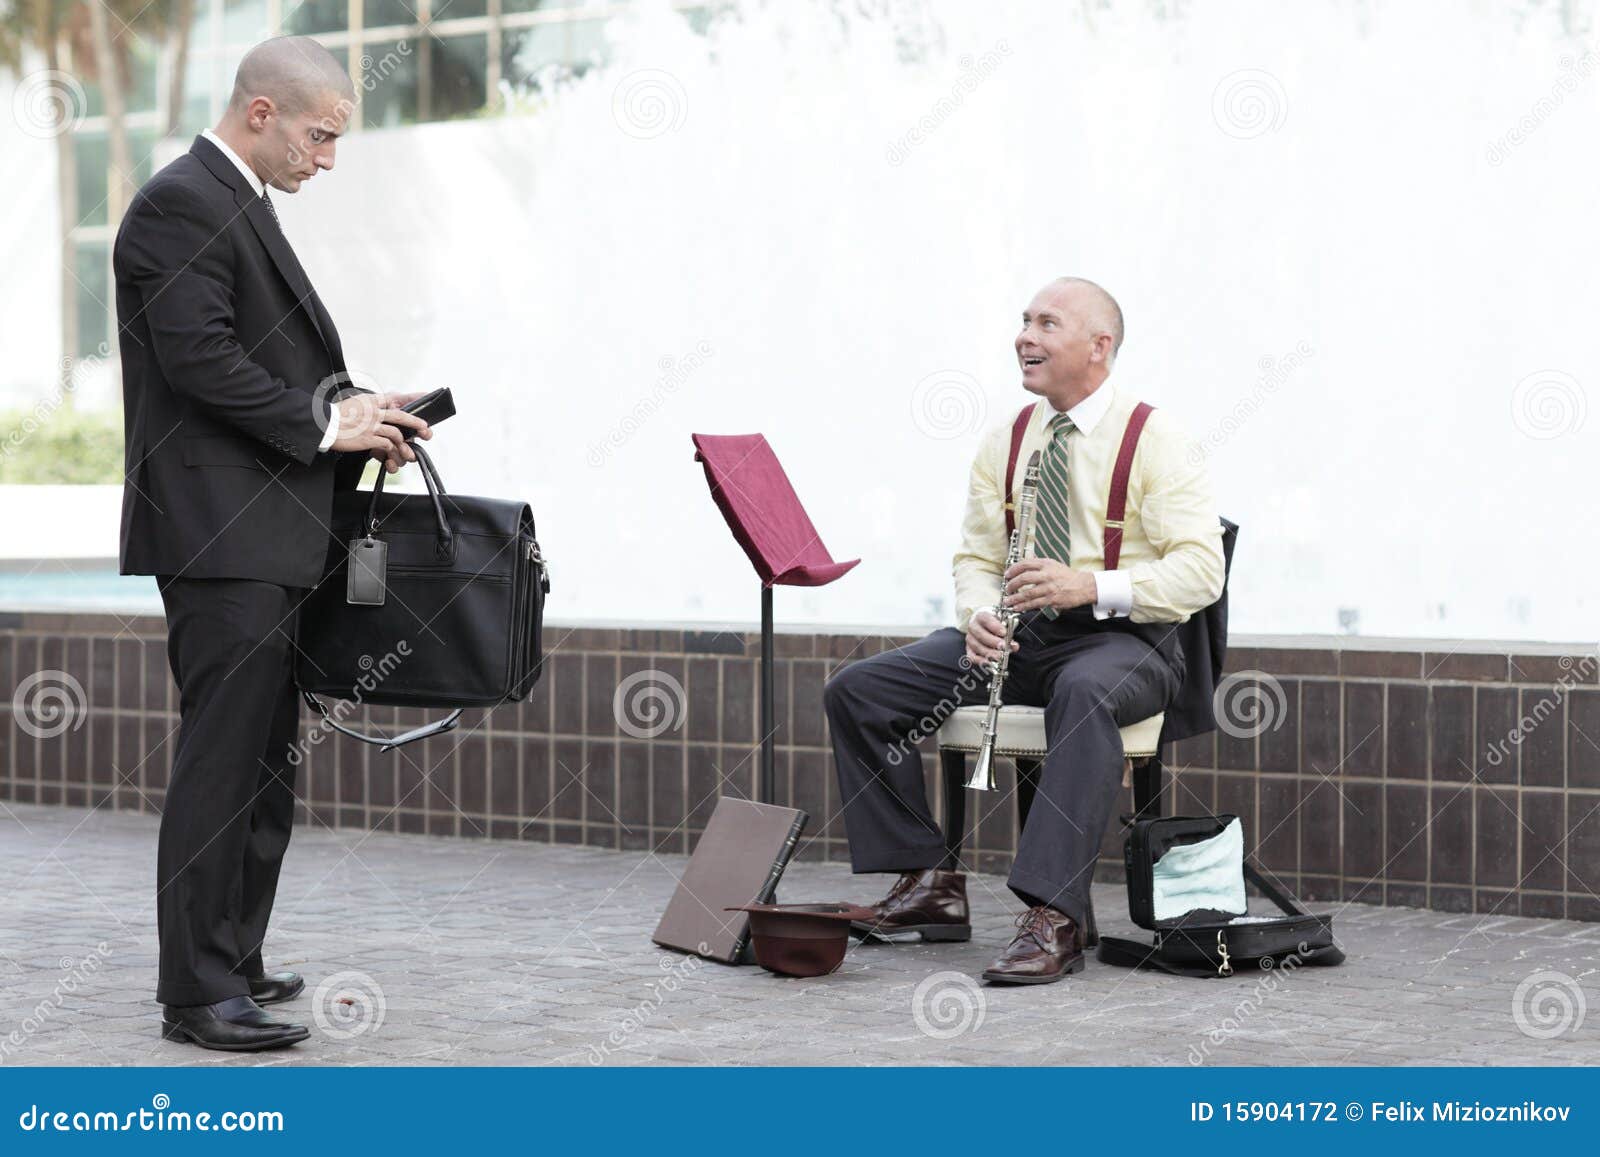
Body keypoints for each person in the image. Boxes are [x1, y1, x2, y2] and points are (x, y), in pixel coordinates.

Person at [114, 36, 432, 1050]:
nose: (326, 159)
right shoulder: (181, 203)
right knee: (223, 763)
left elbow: (262, 363)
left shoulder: (232, 200)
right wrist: (328, 425)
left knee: (262, 766)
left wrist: (359, 406)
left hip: (268, 533)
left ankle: (234, 958)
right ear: (262, 113)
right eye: (320, 136)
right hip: (222, 537)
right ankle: (197, 992)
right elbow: (200, 362)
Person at [823, 277, 1225, 985]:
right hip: (1022, 636)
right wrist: (977, 615)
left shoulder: (1157, 438)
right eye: (1024, 321)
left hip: (1127, 640)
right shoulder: (1007, 438)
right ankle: (929, 882)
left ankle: (1055, 916)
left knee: (1084, 691)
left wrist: (1089, 586)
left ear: (1099, 346)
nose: (1025, 337)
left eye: (1047, 324)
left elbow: (1201, 572)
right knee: (859, 691)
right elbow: (976, 559)